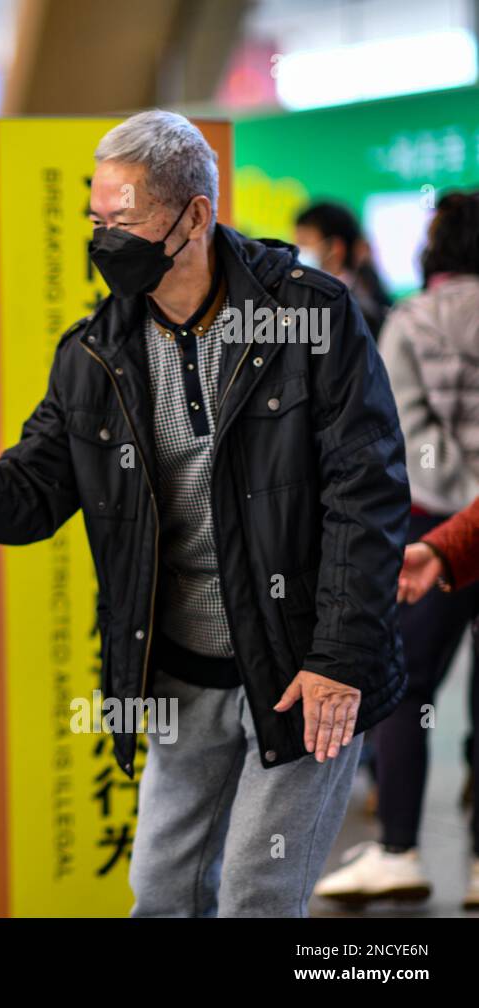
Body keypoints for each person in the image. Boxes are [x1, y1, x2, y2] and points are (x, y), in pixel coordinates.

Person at [0, 110, 409, 917]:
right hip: (178, 671)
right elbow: (29, 499)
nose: (102, 239)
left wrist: (339, 657)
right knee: (159, 893)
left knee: (256, 895)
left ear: (194, 215)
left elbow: (364, 494)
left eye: (120, 221)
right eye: (96, 221)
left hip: (302, 666)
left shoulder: (311, 316)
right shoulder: (94, 352)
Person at [317, 189, 479, 909]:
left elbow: (392, 434)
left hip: (432, 530)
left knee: (408, 688)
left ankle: (398, 849)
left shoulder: (412, 321)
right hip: (473, 528)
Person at [294, 201, 393, 341]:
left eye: (304, 243)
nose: (296, 252)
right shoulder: (300, 299)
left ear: (335, 248)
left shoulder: (361, 309)